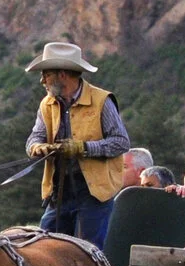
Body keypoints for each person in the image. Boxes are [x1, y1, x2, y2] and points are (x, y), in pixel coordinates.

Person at [23, 42, 130, 244]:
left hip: (94, 192)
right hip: (60, 190)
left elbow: (121, 142)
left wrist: (84, 148)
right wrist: (38, 147)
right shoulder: (47, 103)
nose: (42, 80)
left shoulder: (101, 100)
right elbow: (34, 138)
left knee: (89, 251)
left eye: (46, 74)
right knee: (44, 244)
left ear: (62, 75)